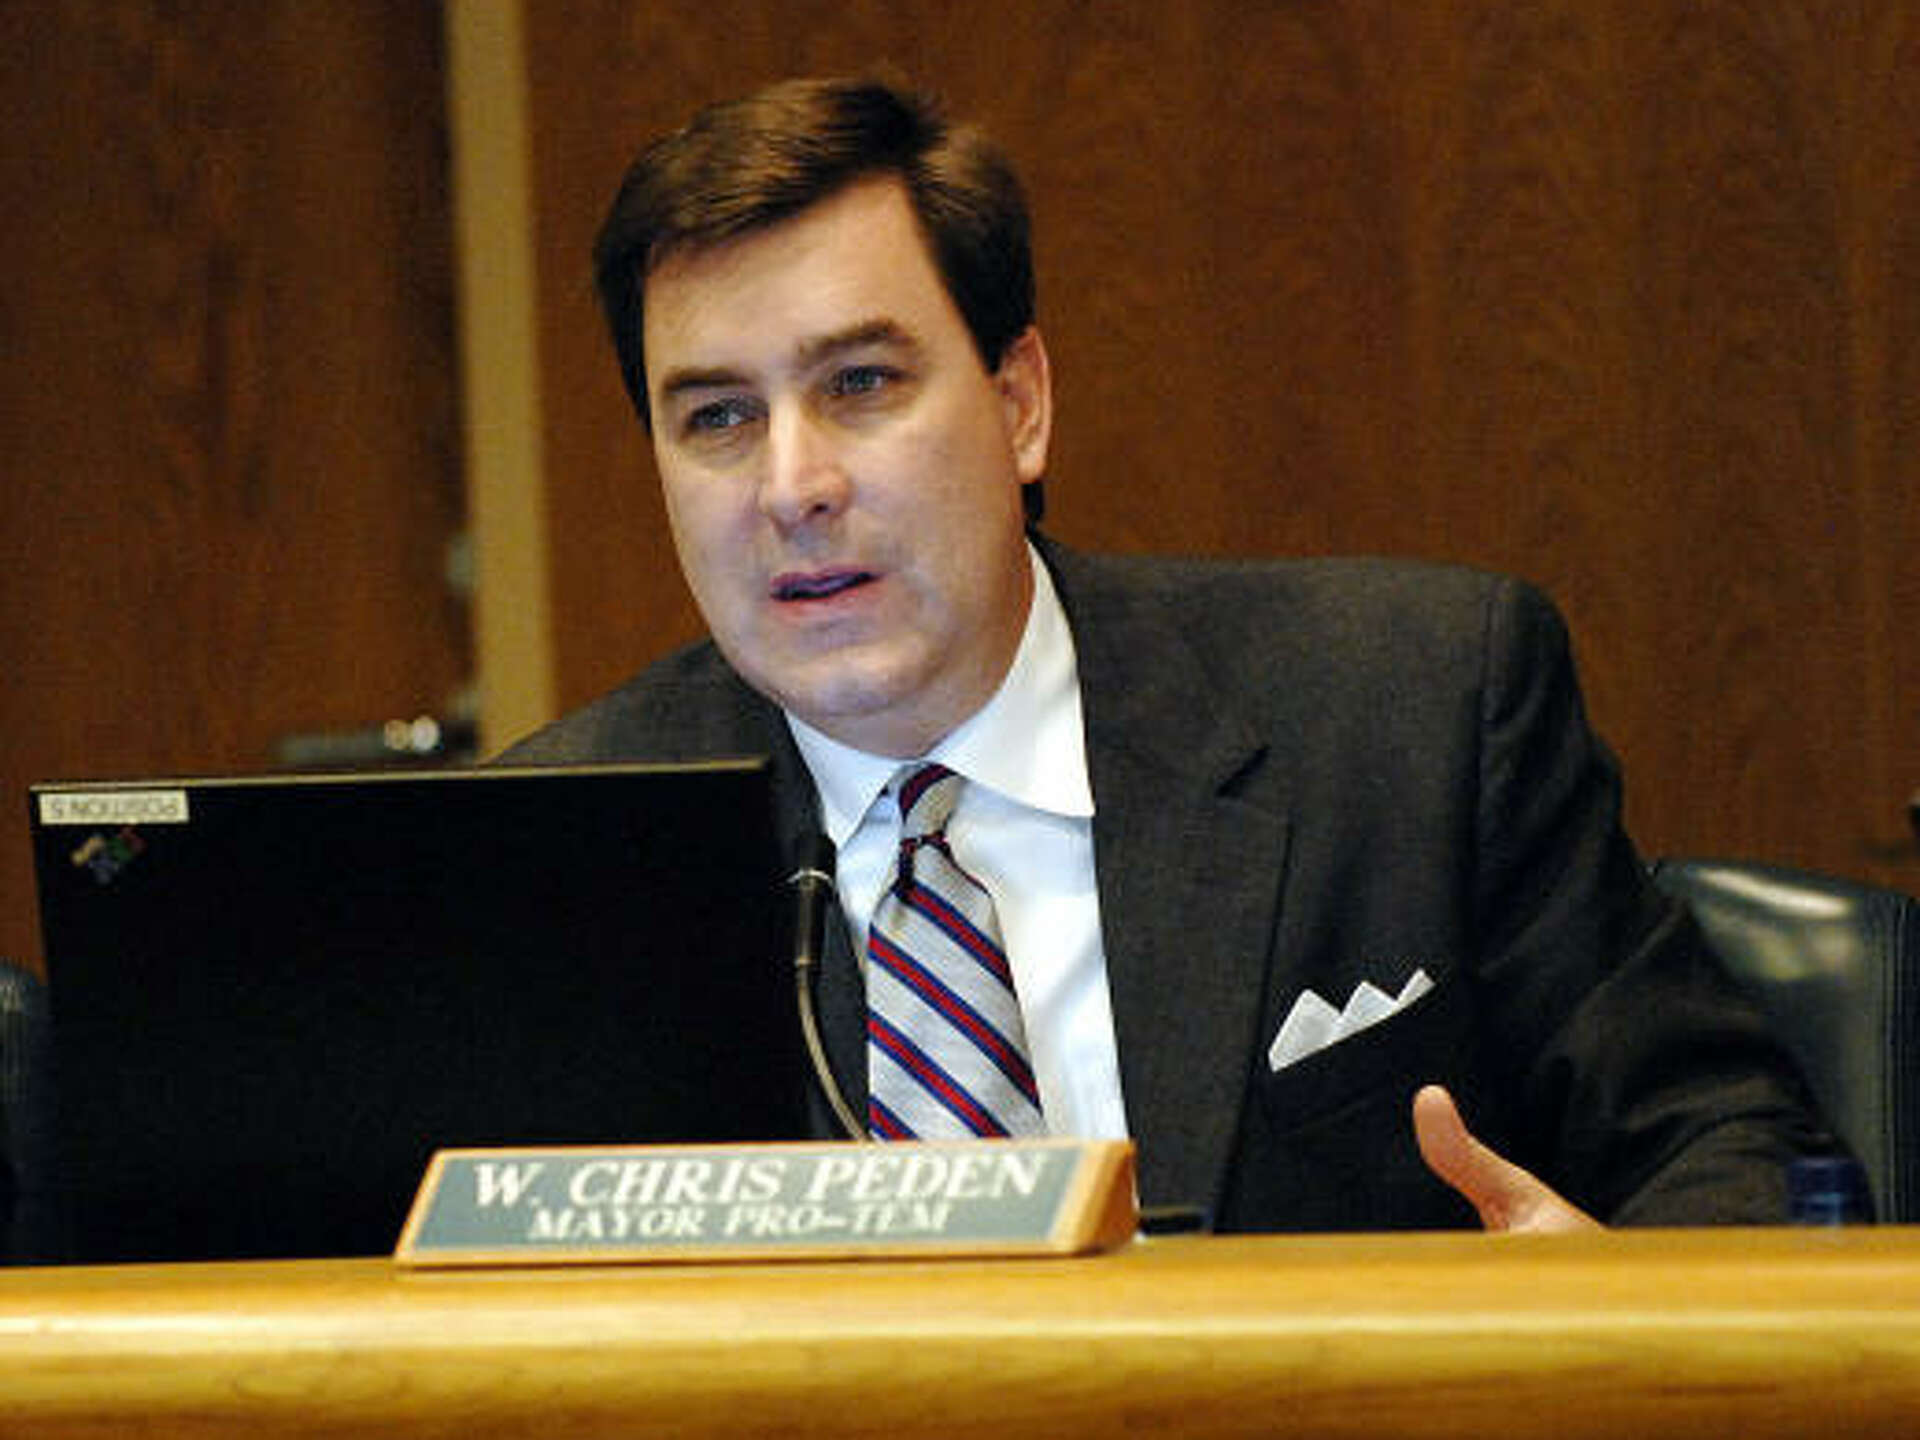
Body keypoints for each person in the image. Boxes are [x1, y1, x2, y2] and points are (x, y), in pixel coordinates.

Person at [502, 75, 1834, 1231]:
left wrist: (1597, 1326)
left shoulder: (1410, 712)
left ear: (1020, 406)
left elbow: (1734, 1152)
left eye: (861, 384)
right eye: (718, 417)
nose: (793, 485)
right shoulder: (548, 859)